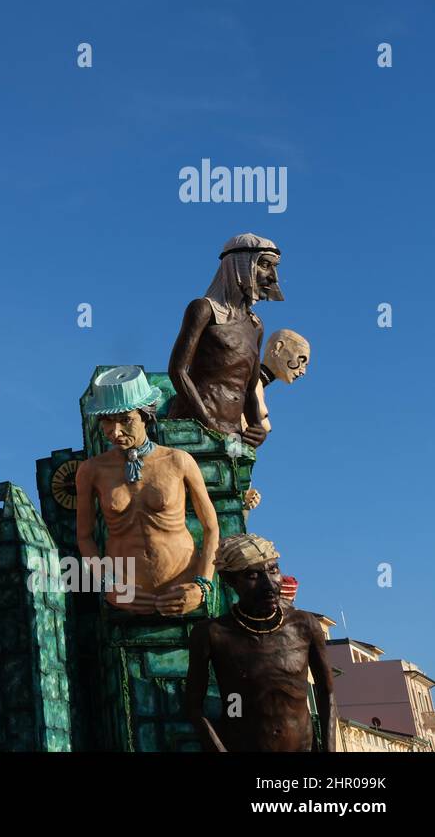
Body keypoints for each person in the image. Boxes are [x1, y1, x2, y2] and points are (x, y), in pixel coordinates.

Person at [76, 366, 220, 616]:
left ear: (145, 414)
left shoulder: (178, 461)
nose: (115, 431)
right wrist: (108, 586)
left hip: (183, 588)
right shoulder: (92, 471)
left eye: (125, 419)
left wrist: (202, 585)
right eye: (107, 421)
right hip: (127, 594)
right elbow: (84, 537)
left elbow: (211, 527)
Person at [186, 534, 336, 751]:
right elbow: (193, 706)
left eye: (274, 570)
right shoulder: (212, 634)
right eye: (253, 575)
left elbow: (327, 692)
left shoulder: (305, 625)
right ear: (230, 580)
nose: (269, 584)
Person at [168, 234, 283, 446]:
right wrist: (208, 423)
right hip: (193, 431)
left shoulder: (255, 326)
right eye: (265, 265)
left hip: (233, 436)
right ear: (240, 264)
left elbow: (249, 389)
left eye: (275, 267)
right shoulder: (203, 309)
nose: (273, 276)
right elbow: (178, 371)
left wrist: (256, 426)